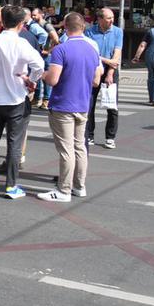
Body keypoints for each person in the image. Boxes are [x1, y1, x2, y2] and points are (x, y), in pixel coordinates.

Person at [37, 13, 103, 203]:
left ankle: (64, 190)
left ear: (65, 27)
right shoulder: (92, 50)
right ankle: (79, 186)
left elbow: (53, 79)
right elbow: (96, 80)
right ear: (83, 26)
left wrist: (42, 75)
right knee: (79, 146)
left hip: (63, 104)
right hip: (83, 104)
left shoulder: (61, 49)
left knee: (66, 150)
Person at [0, 6, 44, 199]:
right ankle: (11, 185)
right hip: (16, 98)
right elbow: (39, 65)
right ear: (20, 24)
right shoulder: (21, 43)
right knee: (14, 143)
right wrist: (31, 80)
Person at [85, 7, 123, 149]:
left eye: (112, 17)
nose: (111, 20)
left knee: (112, 105)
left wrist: (110, 73)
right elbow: (90, 53)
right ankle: (89, 135)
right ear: (100, 19)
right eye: (108, 18)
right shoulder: (89, 31)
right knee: (90, 104)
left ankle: (110, 137)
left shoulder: (118, 31)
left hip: (110, 70)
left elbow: (117, 52)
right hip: (94, 69)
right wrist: (108, 61)